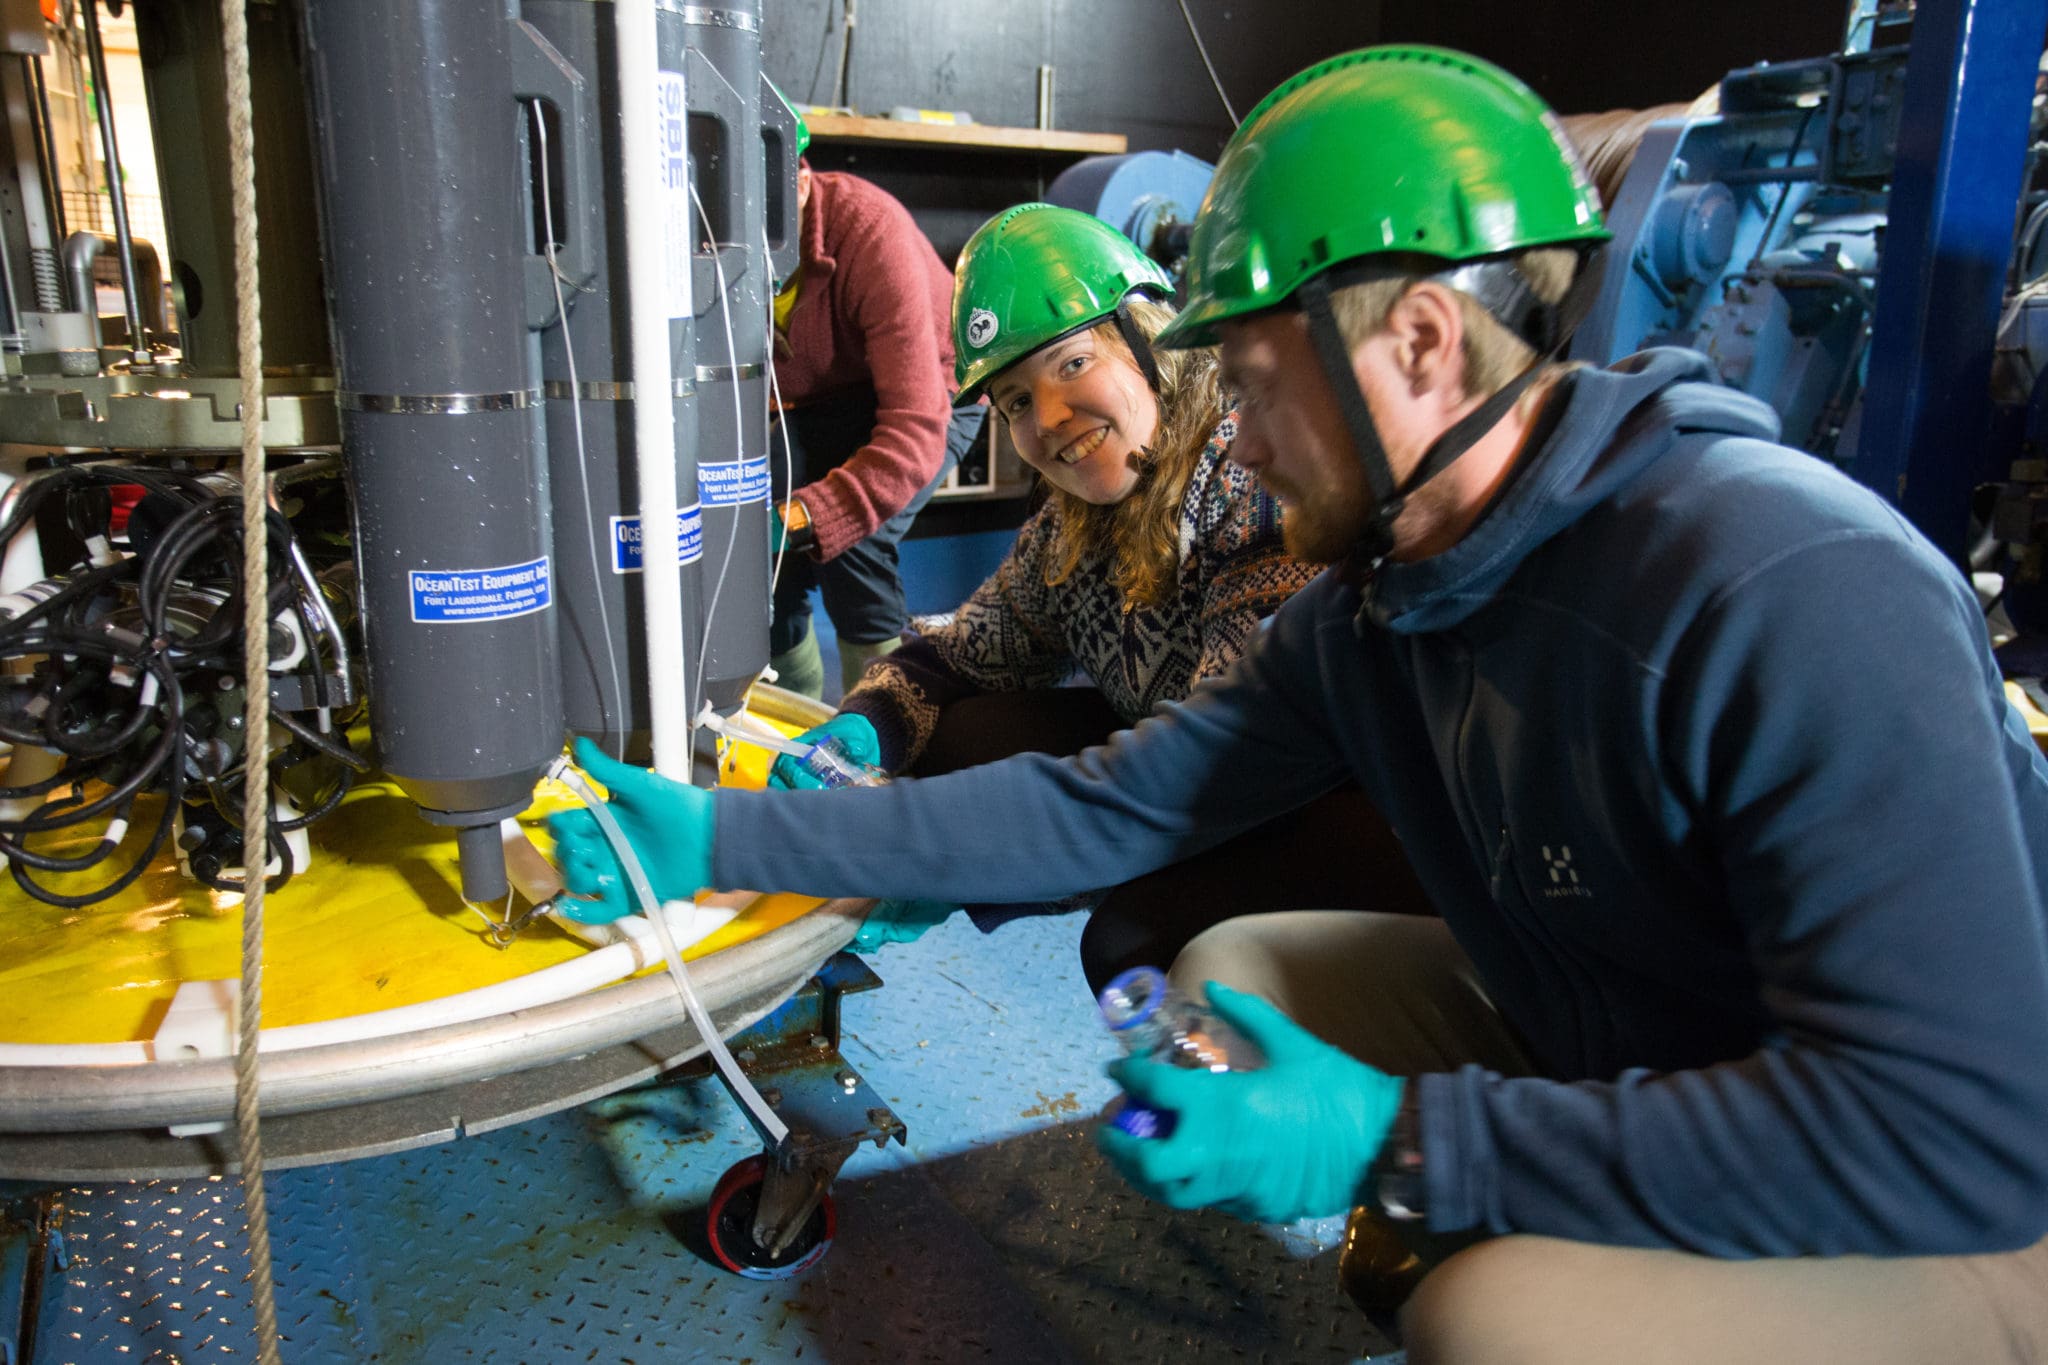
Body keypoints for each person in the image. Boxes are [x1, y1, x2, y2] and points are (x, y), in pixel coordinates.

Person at [555, 46, 2048, 1364]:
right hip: (1619, 1025)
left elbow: (1943, 1134)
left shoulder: (1786, 582)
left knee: (1500, 1321)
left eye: (1259, 385)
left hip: (1962, 1192)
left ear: (1421, 344)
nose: (1244, 446)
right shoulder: (1383, 598)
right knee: (1227, 981)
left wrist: (1395, 1141)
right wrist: (726, 838)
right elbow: (1110, 802)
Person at [768, 202, 1337, 968]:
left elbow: (1207, 769)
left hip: (1307, 807)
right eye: (1016, 403)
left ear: (1149, 340)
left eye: (1072, 364)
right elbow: (959, 653)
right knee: (955, 733)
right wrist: (860, 727)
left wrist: (957, 861)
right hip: (1186, 779)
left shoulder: (1249, 478)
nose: (1052, 417)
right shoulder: (1072, 528)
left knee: (1137, 938)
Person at [766, 91, 982, 699]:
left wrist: (804, 515)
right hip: (810, 404)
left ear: (801, 180)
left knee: (853, 545)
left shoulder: (868, 230)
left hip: (933, 393)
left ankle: (883, 731)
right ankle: (792, 730)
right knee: (761, 565)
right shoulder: (708, 250)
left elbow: (914, 431)